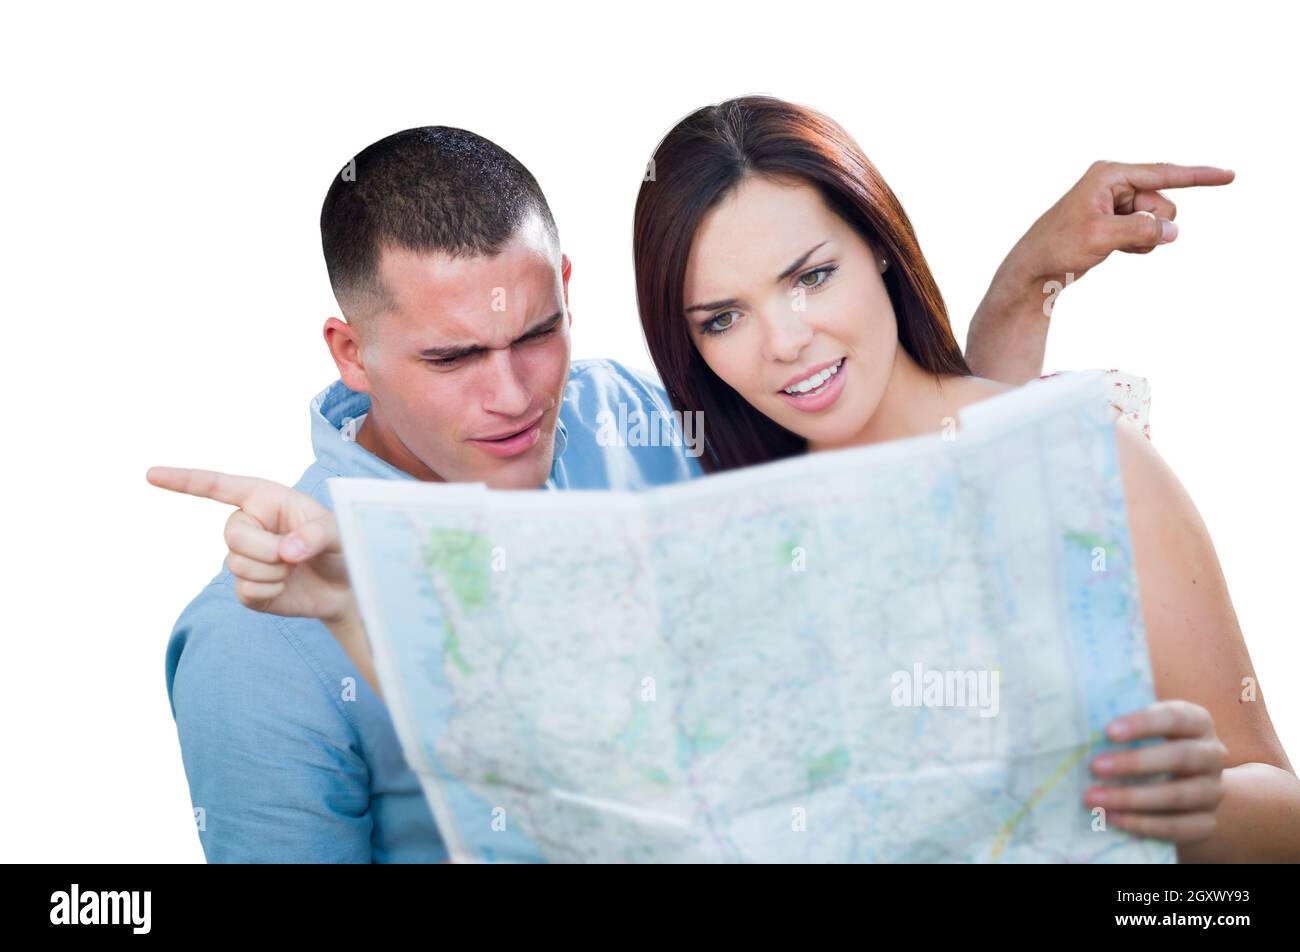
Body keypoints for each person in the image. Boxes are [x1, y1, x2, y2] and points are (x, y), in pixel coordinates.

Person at [150, 121, 1234, 862]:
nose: (515, 393)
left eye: (537, 334)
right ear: (351, 352)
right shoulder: (254, 645)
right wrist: (353, 608)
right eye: (451, 359)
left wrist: (1020, 286)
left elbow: (903, 475)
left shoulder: (643, 417)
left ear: (570, 292)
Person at [627, 95, 1297, 862]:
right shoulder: (726, 554)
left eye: (811, 276)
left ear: (877, 243)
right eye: (722, 318)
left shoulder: (1082, 464)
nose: (785, 342)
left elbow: (1283, 811)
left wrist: (1197, 804)